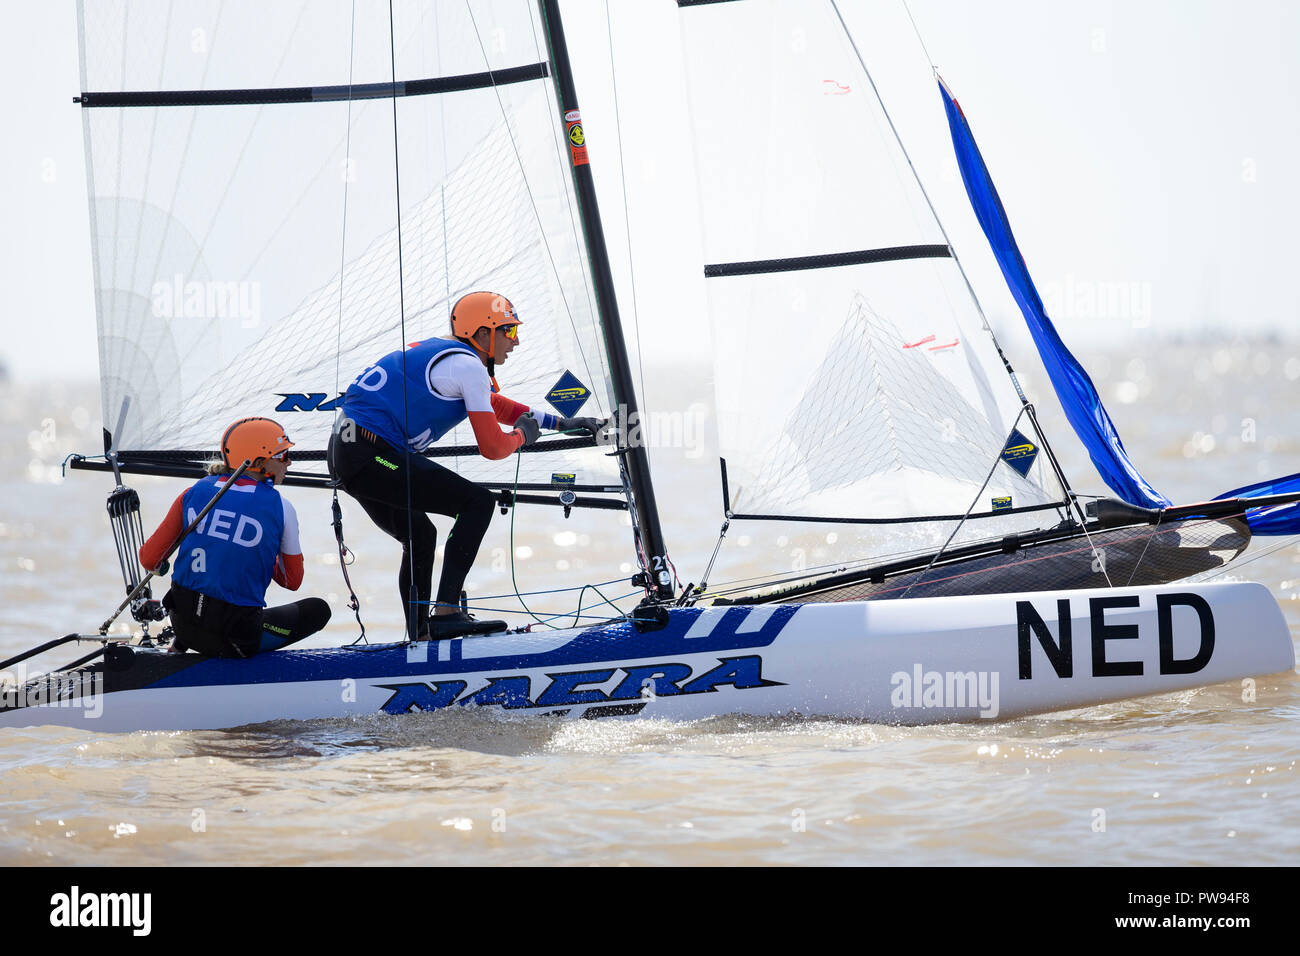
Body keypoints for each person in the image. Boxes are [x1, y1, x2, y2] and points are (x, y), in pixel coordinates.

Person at [328, 290, 602, 640]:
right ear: (483, 334)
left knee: (420, 534)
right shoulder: (468, 365)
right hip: (369, 454)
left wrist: (561, 424)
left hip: (346, 450)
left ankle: (421, 633)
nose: (516, 342)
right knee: (477, 502)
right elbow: (493, 447)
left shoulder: (450, 356)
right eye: (510, 331)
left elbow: (495, 405)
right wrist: (522, 437)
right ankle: (445, 612)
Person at [138, 417, 331, 658]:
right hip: (235, 640)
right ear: (259, 462)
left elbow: (149, 559)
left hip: (183, 626)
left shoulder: (193, 492)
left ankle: (179, 647)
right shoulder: (282, 507)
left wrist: (165, 566)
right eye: (282, 456)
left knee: (201, 595)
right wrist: (259, 548)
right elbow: (292, 581)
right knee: (318, 610)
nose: (289, 463)